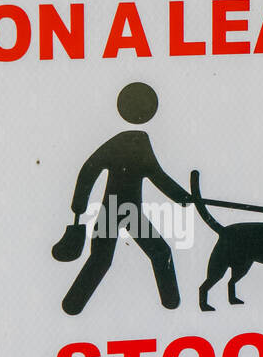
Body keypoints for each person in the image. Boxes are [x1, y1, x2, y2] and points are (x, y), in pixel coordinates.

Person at [58, 82, 190, 315]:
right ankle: (72, 305)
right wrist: (182, 197)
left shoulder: (130, 141)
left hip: (118, 212)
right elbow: (157, 176)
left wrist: (182, 197)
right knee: (154, 253)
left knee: (103, 258)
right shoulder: (136, 142)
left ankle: (73, 304)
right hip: (125, 212)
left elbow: (90, 169)